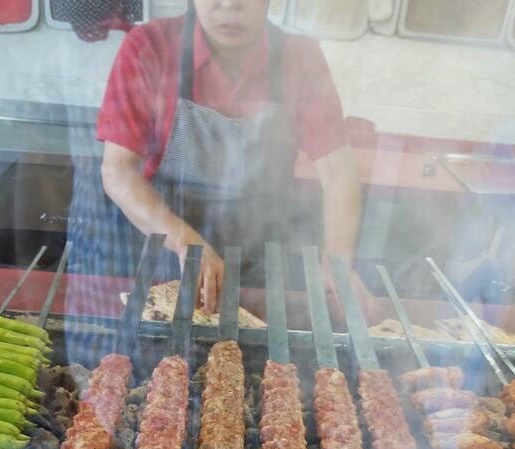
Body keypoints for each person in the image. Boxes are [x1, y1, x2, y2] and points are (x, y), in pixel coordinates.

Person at [74, 0, 365, 312]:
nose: (230, 5)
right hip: (168, 245)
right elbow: (118, 171)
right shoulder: (150, 46)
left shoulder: (300, 58)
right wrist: (187, 242)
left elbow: (338, 169)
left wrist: (337, 260)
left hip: (257, 251)